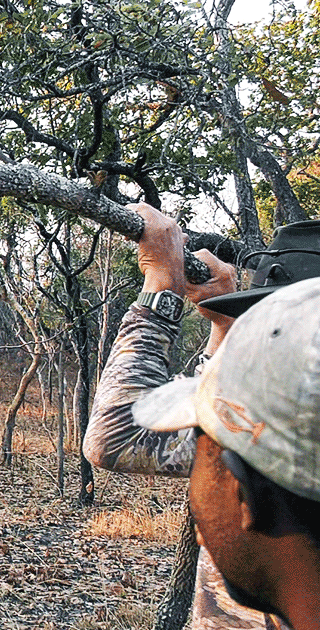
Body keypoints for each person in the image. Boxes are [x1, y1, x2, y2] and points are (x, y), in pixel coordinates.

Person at [88, 203, 320, 629]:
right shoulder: (295, 418)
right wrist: (226, 329)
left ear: (247, 496)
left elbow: (119, 435)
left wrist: (160, 290)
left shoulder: (277, 422)